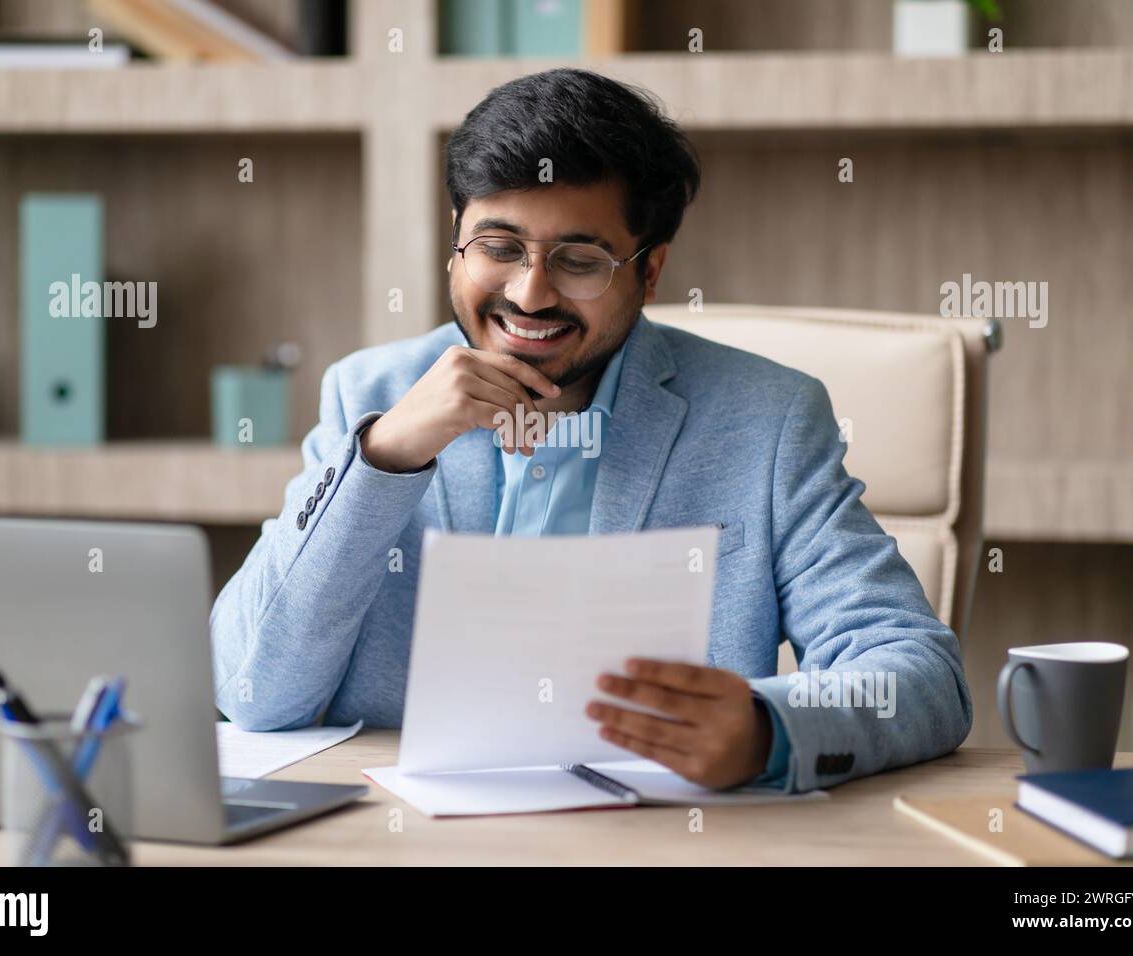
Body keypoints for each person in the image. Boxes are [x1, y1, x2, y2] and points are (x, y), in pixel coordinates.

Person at [210, 68, 972, 793]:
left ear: (649, 272)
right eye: (498, 248)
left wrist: (769, 730)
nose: (529, 293)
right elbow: (253, 690)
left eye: (579, 260)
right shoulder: (370, 397)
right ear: (455, 243)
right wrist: (383, 459)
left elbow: (919, 675)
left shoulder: (769, 422)